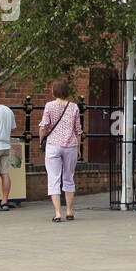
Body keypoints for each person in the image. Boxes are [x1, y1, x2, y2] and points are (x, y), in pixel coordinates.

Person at [38, 77, 81, 222]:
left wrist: (41, 141)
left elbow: (43, 126)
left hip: (53, 146)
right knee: (69, 178)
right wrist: (79, 147)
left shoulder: (49, 106)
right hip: (71, 146)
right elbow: (78, 130)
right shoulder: (74, 107)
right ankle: (69, 211)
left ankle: (58, 213)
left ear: (54, 90)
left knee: (54, 179)